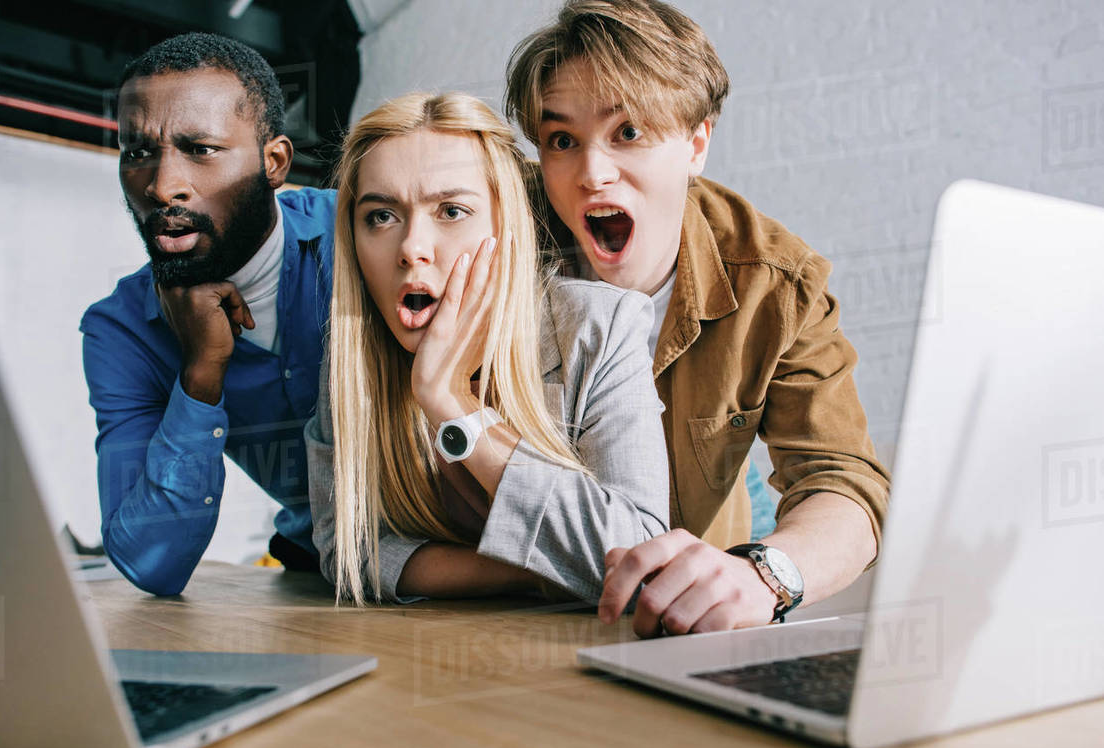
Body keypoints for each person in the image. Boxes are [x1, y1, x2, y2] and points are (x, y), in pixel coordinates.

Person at [505, 0, 891, 634]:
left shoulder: (777, 286)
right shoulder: (500, 230)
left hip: (668, 629)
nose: (591, 174)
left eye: (628, 132)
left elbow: (845, 483)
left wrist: (763, 576)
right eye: (561, 141)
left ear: (696, 143)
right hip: (504, 619)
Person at [301, 92, 669, 605]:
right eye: (381, 217)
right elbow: (349, 552)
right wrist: (539, 569)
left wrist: (454, 405)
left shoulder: (600, 327)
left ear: (507, 224)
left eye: (451, 211)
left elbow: (637, 558)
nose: (411, 248)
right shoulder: (354, 351)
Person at [80, 33, 335, 596]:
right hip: (314, 573)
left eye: (202, 149)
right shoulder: (122, 331)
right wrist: (199, 376)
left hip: (466, 558)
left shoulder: (363, 240)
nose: (163, 185)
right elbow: (150, 562)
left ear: (274, 162)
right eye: (138, 152)